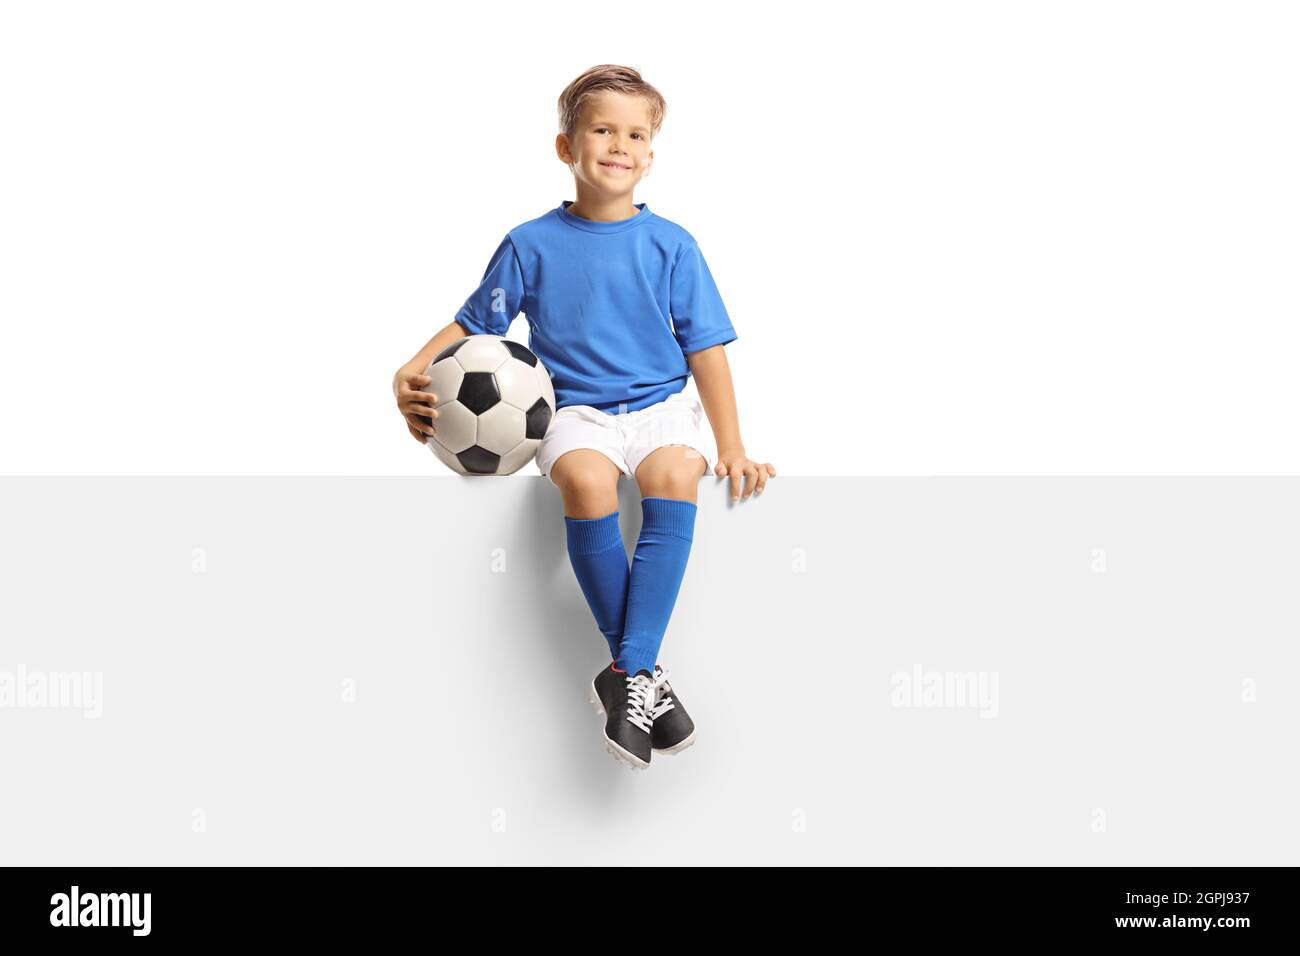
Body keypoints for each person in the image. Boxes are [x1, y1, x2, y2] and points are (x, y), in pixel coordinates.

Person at [393, 64, 776, 770]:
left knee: (672, 475)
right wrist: (407, 371)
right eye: (602, 129)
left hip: (662, 403)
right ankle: (642, 678)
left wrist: (733, 446)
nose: (619, 145)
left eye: (636, 134)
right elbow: (474, 322)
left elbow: (707, 351)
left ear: (651, 156)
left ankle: (627, 671)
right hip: (576, 411)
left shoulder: (673, 245)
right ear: (567, 147)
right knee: (588, 485)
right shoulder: (530, 243)